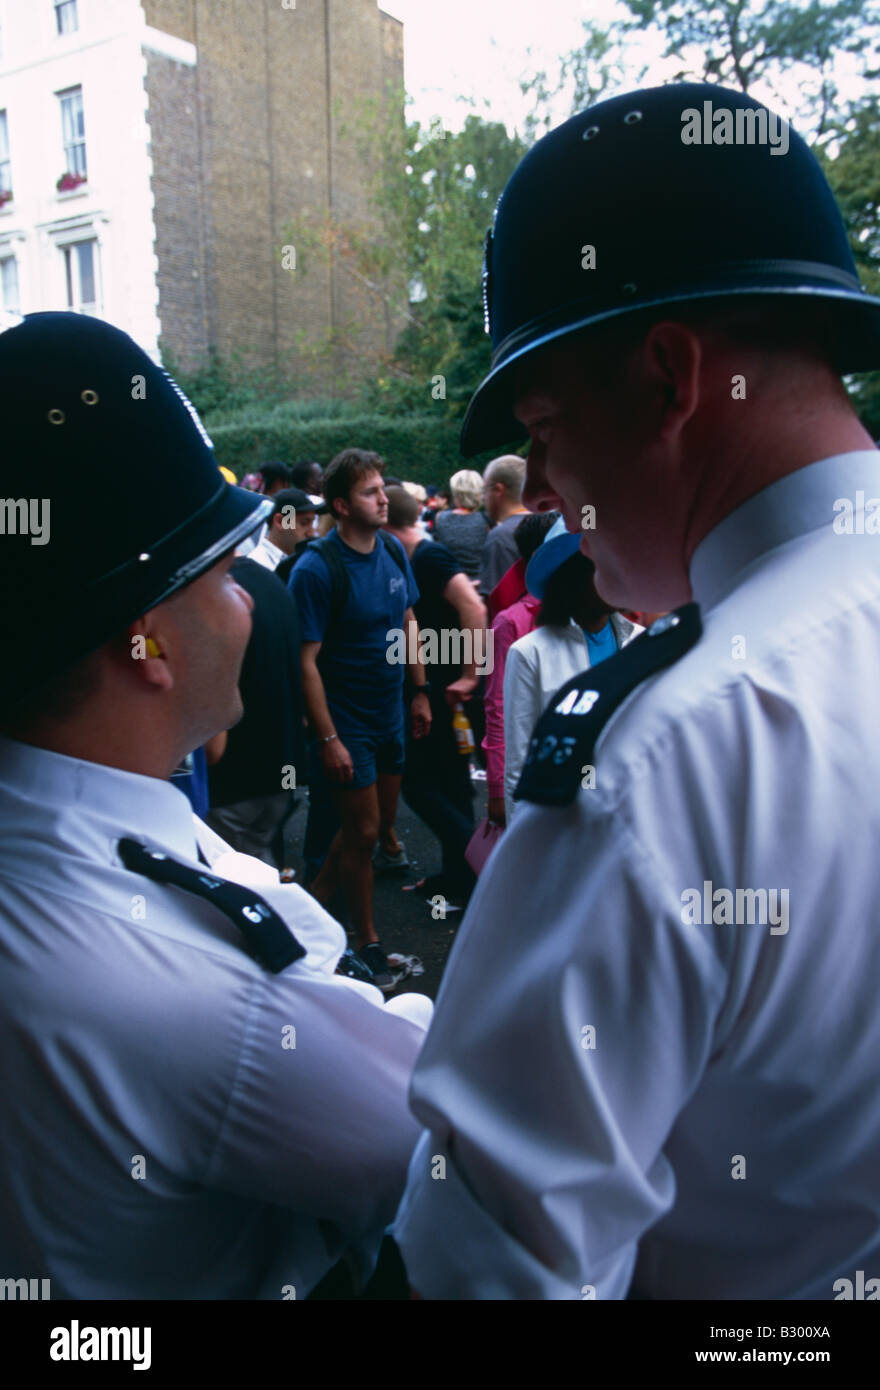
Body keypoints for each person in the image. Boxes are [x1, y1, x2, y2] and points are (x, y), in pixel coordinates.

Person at [394, 82, 880, 1299]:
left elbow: (491, 1274)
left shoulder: (657, 753)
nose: (545, 487)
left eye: (546, 423)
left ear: (670, 379)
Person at [0, 312, 432, 1300]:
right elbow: (447, 1149)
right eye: (226, 572)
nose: (248, 604)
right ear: (145, 643)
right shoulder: (192, 990)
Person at [290, 449, 431, 989]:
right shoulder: (315, 569)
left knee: (367, 831)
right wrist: (328, 738)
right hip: (346, 722)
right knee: (364, 832)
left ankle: (308, 915)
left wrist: (420, 691)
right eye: (372, 492)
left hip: (391, 712)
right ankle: (366, 941)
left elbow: (409, 622)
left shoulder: (392, 549)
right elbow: (304, 663)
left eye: (383, 489)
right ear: (344, 505)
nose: (384, 499)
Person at [383, 487, 488, 910]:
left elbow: (474, 608)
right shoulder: (416, 558)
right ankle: (458, 880)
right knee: (453, 786)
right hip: (438, 685)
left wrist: (469, 675)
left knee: (419, 783)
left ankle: (482, 867)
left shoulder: (430, 558)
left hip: (444, 688)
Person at [502, 517, 637, 825]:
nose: (616, 578)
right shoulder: (529, 653)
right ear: (572, 578)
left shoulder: (642, 642)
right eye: (600, 568)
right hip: (565, 817)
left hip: (631, 813)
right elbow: (520, 761)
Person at [206, 554, 306, 869]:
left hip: (233, 782)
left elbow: (213, 747)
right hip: (279, 771)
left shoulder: (210, 593)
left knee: (227, 879)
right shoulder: (271, 581)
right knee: (258, 869)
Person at [482, 510, 559, 827]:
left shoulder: (600, 613)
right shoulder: (511, 620)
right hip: (534, 768)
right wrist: (498, 788)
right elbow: (497, 704)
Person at [478, 455, 529, 598]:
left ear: (498, 490)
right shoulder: (551, 524)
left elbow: (497, 601)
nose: (484, 498)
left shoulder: (500, 537)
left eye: (484, 490)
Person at [432, 469, 490, 581]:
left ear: (456, 493)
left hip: (449, 583)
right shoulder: (487, 520)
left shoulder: (440, 517)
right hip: (480, 583)